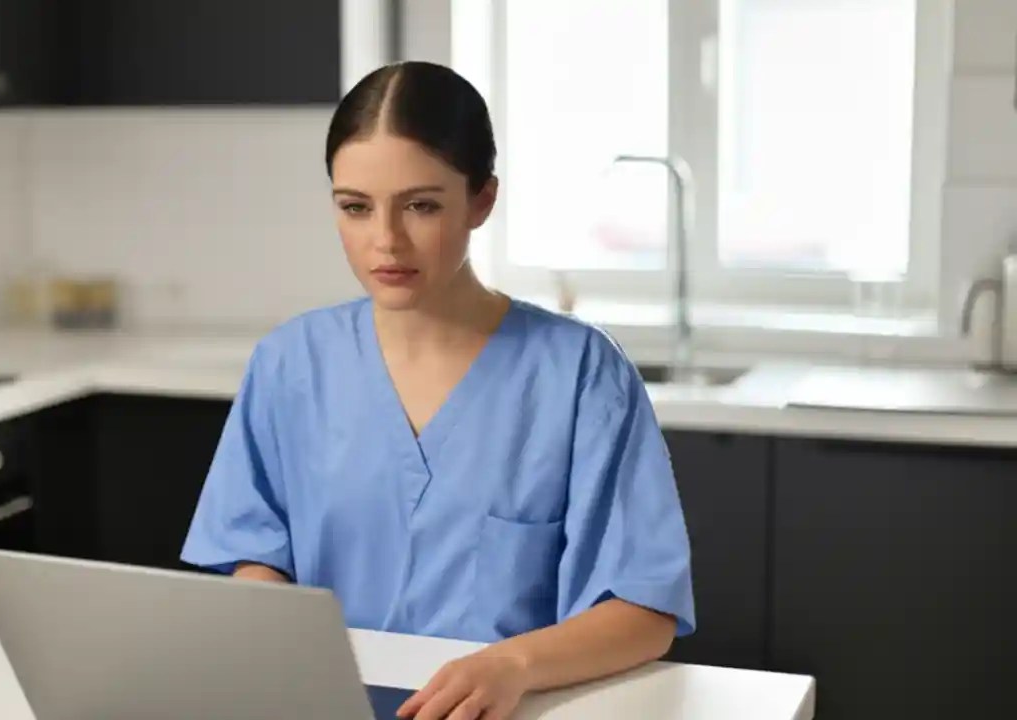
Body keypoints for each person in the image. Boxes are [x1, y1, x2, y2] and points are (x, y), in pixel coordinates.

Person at [181, 60, 695, 720]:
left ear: (482, 200)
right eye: (356, 208)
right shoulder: (291, 362)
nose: (385, 242)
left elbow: (643, 608)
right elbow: (250, 555)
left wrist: (512, 664)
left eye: (421, 206)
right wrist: (281, 633)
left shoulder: (580, 375)